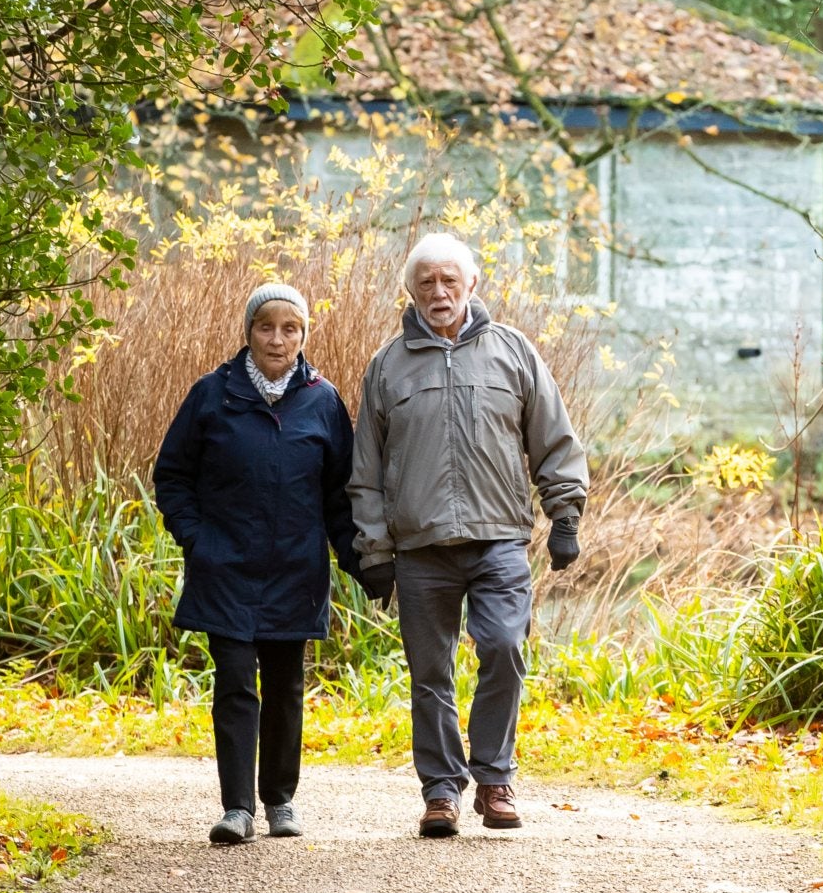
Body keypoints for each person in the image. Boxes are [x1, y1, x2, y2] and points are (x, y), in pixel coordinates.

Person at [349, 233, 589, 838]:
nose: (439, 292)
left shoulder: (513, 352)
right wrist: (374, 549)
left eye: (450, 280)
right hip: (420, 548)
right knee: (429, 673)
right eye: (426, 282)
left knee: (505, 647)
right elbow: (367, 472)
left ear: (472, 285)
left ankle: (495, 778)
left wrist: (563, 516)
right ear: (410, 290)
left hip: (499, 539)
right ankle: (439, 791)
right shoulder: (387, 366)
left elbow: (553, 437)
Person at [152, 282, 368, 845]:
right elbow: (172, 476)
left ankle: (280, 800)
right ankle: (237, 808)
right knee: (234, 684)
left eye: (290, 328)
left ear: (303, 336)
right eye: (266, 327)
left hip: (295, 569)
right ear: (248, 332)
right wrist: (197, 539)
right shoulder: (212, 394)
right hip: (223, 567)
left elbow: (340, 495)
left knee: (285, 684)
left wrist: (361, 561)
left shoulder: (323, 401)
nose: (278, 338)